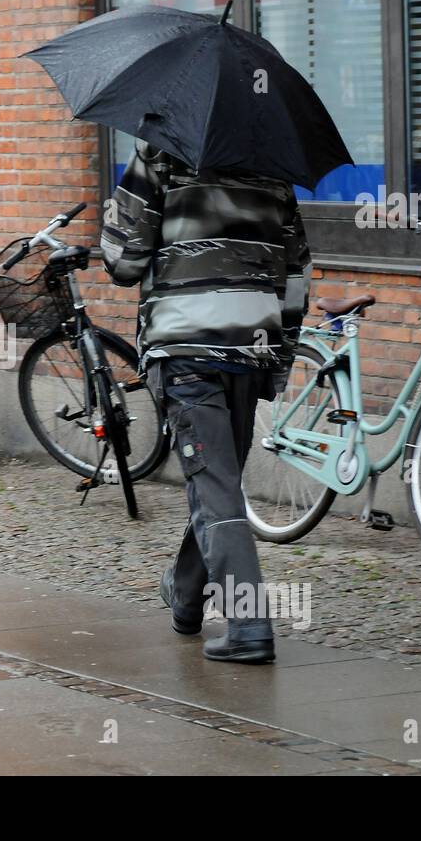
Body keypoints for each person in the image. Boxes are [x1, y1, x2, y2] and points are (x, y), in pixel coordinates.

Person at [100, 142, 311, 664]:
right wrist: (278, 362)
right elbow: (296, 279)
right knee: (218, 481)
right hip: (251, 349)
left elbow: (122, 261)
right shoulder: (272, 170)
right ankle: (186, 594)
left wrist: (137, 208)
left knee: (214, 484)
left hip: (186, 346)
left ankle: (249, 626)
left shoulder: (162, 153)